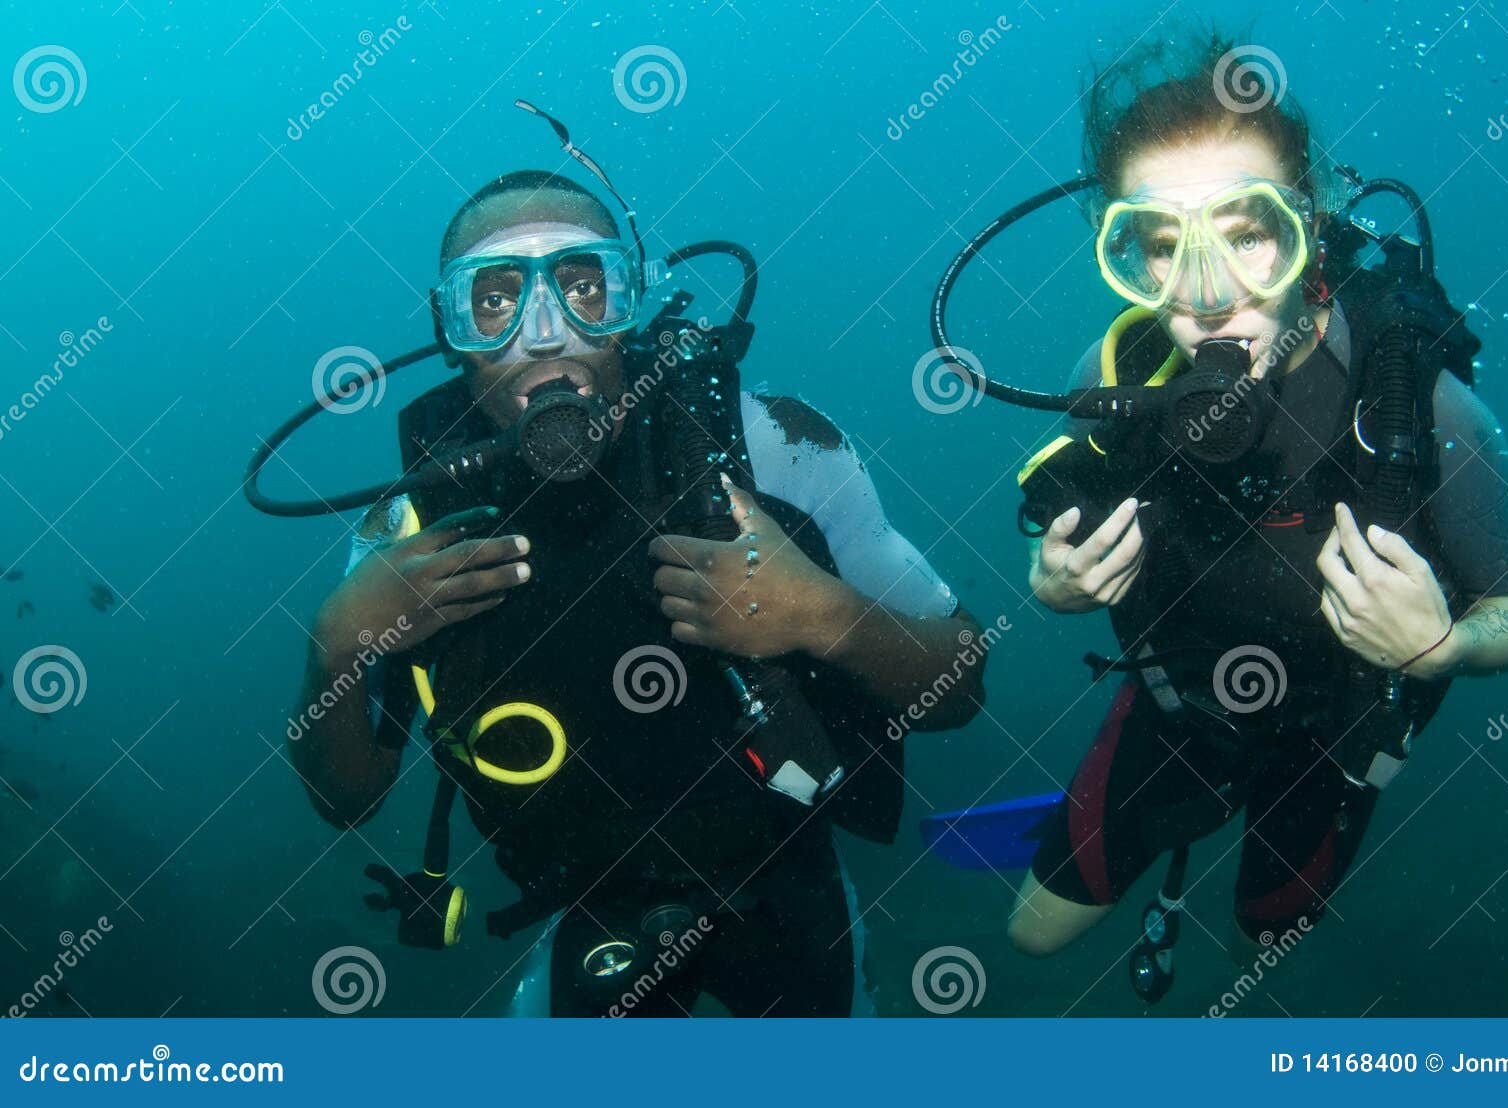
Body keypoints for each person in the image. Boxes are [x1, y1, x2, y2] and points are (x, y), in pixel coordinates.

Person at [287, 126, 986, 1016]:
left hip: (785, 880)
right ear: (451, 331)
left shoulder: (774, 450)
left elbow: (964, 682)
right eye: (496, 301)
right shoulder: (406, 533)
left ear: (632, 298)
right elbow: (345, 799)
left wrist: (827, 618)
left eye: (585, 287)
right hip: (589, 907)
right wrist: (335, 640)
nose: (548, 336)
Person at [1006, 32, 1508, 964]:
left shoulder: (1430, 410)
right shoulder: (1115, 374)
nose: (1209, 296)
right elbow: (1057, 536)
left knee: (1263, 937)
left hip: (1334, 735)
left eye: (1249, 233)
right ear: (1125, 254)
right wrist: (1051, 581)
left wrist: (1444, 647)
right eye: (1164, 248)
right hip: (1177, 707)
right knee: (1031, 939)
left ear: (1310, 221)